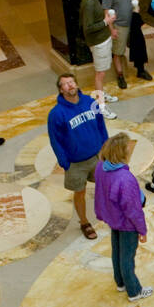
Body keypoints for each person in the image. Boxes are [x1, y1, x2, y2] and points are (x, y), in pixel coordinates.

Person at [48, 73, 111, 240]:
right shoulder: (56, 113)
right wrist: (64, 162)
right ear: (61, 90)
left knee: (105, 184)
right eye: (65, 84)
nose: (70, 85)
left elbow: (101, 125)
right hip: (75, 163)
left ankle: (109, 212)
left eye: (71, 82)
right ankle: (84, 222)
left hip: (96, 156)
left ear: (76, 84)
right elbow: (55, 140)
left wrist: (106, 148)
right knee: (80, 192)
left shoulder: (90, 102)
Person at [94, 133, 152, 301]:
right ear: (121, 153)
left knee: (117, 252)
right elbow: (133, 210)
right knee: (127, 258)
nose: (130, 151)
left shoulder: (100, 167)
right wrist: (142, 230)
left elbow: (100, 193)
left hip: (113, 219)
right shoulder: (125, 179)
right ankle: (134, 291)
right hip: (127, 224)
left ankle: (120, 283)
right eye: (128, 149)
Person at [79, 0, 120, 112]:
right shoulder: (89, 3)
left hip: (103, 40)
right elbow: (88, 28)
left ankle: (101, 94)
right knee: (100, 74)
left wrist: (106, 23)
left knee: (102, 72)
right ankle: (101, 105)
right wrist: (106, 22)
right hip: (98, 43)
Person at [101, 0, 144, 89]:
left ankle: (140, 70)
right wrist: (111, 29)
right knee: (118, 52)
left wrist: (136, 2)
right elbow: (106, 10)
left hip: (133, 22)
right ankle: (120, 75)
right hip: (119, 25)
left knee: (138, 47)